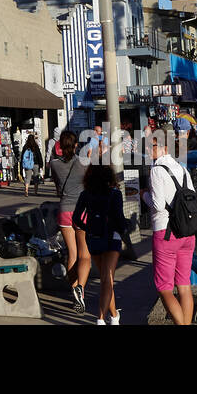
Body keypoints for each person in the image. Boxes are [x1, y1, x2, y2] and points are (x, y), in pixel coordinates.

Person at [145, 130, 197, 325]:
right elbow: (191, 196)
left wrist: (144, 196)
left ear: (165, 148)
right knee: (184, 286)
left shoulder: (157, 170)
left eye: (154, 146)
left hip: (165, 232)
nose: (149, 149)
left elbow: (158, 205)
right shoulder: (183, 169)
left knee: (164, 288)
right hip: (187, 233)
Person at [73, 163, 130, 325]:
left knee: (105, 279)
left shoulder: (85, 194)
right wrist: (124, 230)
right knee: (107, 279)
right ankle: (100, 319)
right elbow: (119, 218)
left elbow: (76, 219)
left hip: (93, 238)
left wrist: (88, 228)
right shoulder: (115, 194)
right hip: (112, 238)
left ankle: (114, 316)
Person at [48, 129, 91, 310]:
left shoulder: (54, 164)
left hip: (64, 210)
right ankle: (81, 288)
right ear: (75, 146)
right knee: (85, 254)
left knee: (72, 253)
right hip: (81, 211)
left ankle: (74, 293)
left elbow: (58, 188)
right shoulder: (83, 162)